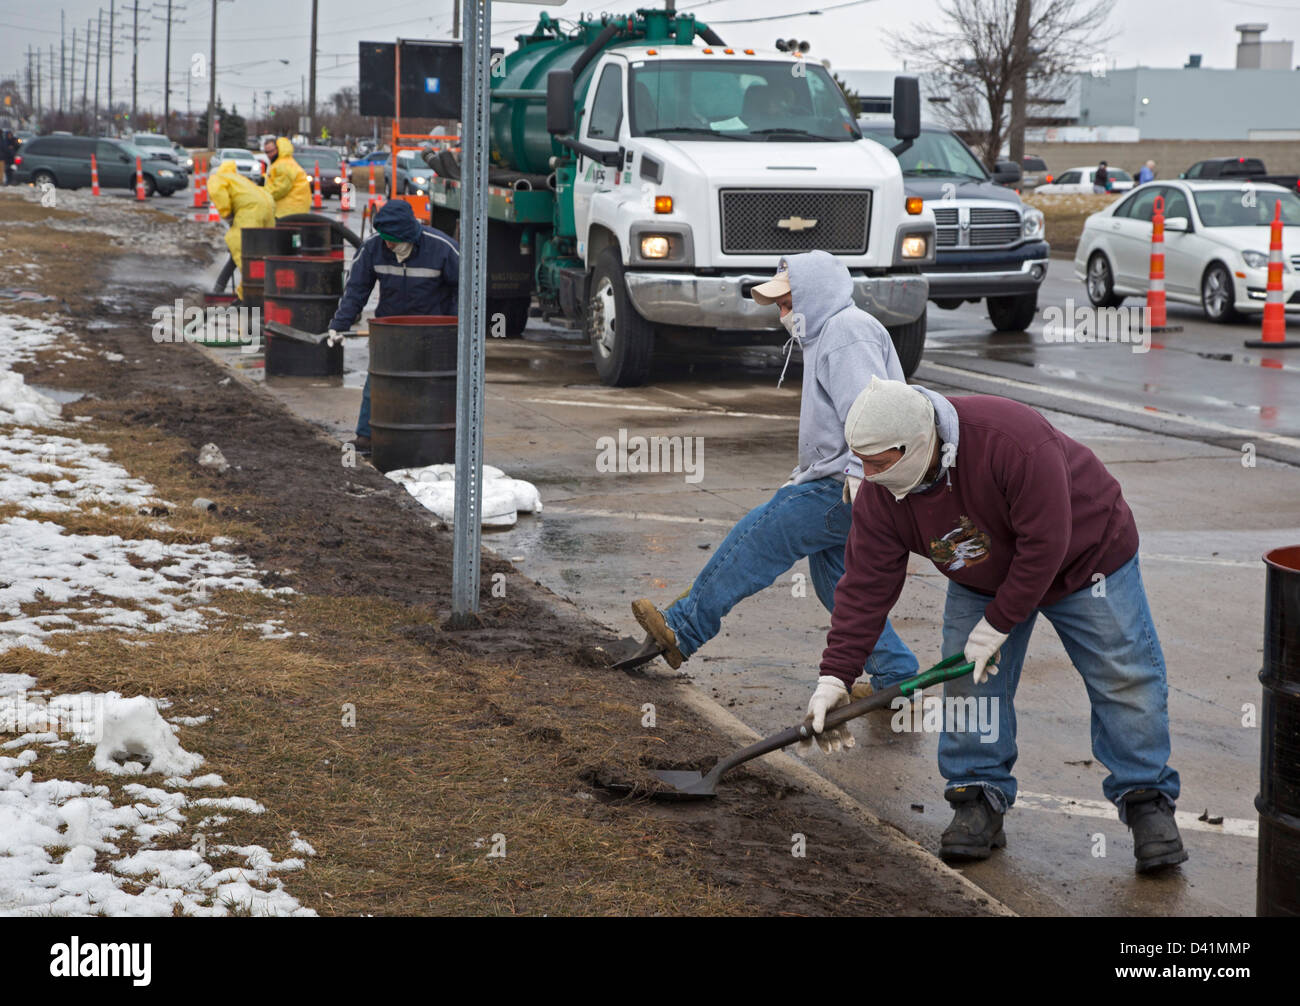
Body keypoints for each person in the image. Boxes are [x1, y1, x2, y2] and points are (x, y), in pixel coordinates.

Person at [806, 376, 1186, 874]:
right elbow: (865, 585)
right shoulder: (882, 494)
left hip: (1088, 560)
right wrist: (835, 675)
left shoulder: (1012, 440)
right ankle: (976, 796)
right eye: (863, 462)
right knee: (967, 682)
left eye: (879, 463)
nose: (868, 475)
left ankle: (1146, 800)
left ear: (918, 443)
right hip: (983, 573)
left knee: (1124, 677)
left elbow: (1047, 542)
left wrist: (998, 623)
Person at [630, 250, 919, 694]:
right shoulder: (830, 332)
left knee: (760, 537)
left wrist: (860, 486)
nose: (784, 312)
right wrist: (802, 476)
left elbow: (873, 418)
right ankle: (897, 676)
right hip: (845, 479)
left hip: (854, 484)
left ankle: (683, 628)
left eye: (789, 301)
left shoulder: (846, 334)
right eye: (780, 303)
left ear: (814, 295)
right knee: (838, 584)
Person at [326, 199, 459, 455]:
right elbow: (356, 289)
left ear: (409, 235)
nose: (388, 245)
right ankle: (366, 436)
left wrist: (451, 325)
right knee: (379, 381)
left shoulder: (442, 249)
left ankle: (436, 438)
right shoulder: (373, 249)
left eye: (393, 240)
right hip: (391, 330)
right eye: (385, 238)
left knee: (432, 385)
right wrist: (339, 325)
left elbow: (466, 291)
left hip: (433, 331)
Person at [207, 160, 276, 301]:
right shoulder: (239, 179)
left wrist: (227, 215)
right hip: (268, 207)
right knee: (257, 253)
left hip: (251, 211)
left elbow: (219, 195)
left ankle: (246, 295)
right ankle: (262, 288)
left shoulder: (218, 178)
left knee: (242, 250)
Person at [262, 136, 311, 218]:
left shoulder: (283, 165)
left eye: (271, 152)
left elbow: (280, 189)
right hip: (292, 207)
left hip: (288, 210)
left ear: (278, 149)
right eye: (266, 152)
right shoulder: (284, 162)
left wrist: (261, 194)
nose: (268, 155)